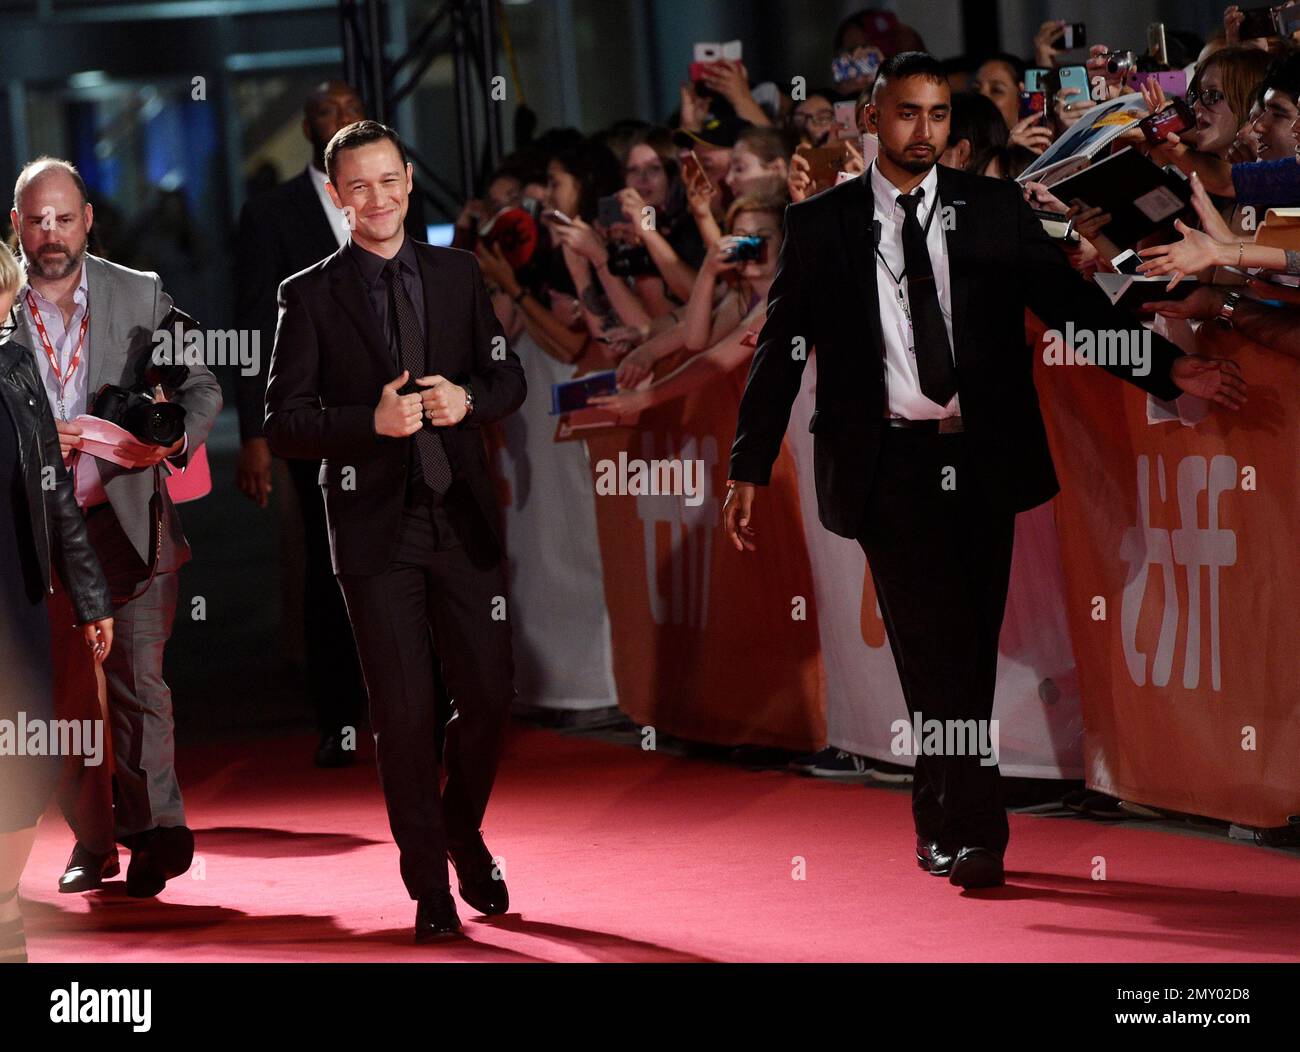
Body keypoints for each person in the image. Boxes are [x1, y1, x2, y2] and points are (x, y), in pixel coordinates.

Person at [722, 52, 1247, 890]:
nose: (922, 130)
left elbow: (1071, 310)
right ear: (874, 119)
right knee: (937, 651)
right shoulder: (822, 225)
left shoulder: (994, 208)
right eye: (905, 113)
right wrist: (748, 465)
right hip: (885, 463)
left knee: (955, 654)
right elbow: (783, 352)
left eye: (936, 115)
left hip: (982, 456)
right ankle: (977, 830)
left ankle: (941, 810)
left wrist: (1162, 369)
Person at [264, 120, 526, 940]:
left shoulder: (457, 275)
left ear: (409, 182)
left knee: (487, 697)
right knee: (405, 713)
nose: (376, 199)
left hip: (461, 517)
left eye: (388, 180)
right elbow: (285, 423)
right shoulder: (307, 294)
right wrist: (366, 422)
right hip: (377, 531)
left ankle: (460, 826)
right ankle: (428, 888)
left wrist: (471, 402)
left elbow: (506, 374)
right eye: (358, 186)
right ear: (338, 198)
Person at [10, 158, 222, 899]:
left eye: (64, 218)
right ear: (16, 224)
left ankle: (156, 834)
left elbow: (201, 381)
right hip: (32, 531)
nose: (51, 234)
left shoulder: (139, 292)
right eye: (37, 220)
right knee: (65, 696)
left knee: (140, 685)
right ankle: (92, 842)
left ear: (88, 218)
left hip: (124, 518)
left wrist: (171, 439)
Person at [234, 80, 424, 769]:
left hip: (405, 410)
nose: (339, 117)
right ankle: (339, 717)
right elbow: (254, 321)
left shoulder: (401, 193)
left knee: (410, 549)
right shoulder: (271, 212)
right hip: (316, 419)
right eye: (325, 111)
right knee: (327, 561)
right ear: (310, 128)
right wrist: (255, 428)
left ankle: (413, 708)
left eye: (349, 107)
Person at [0, 245, 114, 962]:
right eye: (6, 297)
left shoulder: (15, 370)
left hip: (13, 594)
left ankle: (5, 902)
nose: (13, 310)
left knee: (29, 756)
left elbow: (53, 492)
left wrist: (90, 593)